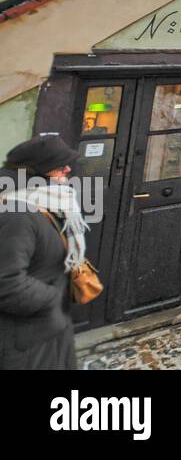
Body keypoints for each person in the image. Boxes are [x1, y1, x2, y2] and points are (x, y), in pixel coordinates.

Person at [0, 133, 85, 370]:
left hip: (44, 332)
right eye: (59, 166)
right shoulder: (17, 213)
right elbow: (6, 281)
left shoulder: (45, 201)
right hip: (24, 340)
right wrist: (50, 302)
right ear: (37, 171)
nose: (68, 169)